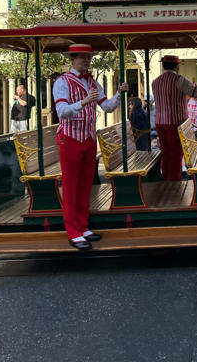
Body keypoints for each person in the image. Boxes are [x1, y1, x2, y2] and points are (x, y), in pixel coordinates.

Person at [54, 44, 127, 251]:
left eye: (88, 58)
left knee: (86, 185)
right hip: (70, 138)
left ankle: (83, 226)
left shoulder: (92, 82)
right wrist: (84, 102)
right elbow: (62, 111)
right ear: (73, 59)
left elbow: (107, 106)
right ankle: (73, 231)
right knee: (71, 186)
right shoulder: (62, 82)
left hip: (88, 139)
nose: (86, 61)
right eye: (82, 58)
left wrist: (120, 93)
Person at [152, 55, 197, 181]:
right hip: (176, 122)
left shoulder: (155, 81)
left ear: (163, 66)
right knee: (176, 153)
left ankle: (166, 177)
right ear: (177, 66)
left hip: (159, 121)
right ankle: (173, 181)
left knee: (165, 152)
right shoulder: (179, 80)